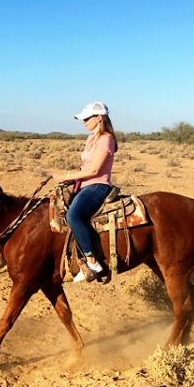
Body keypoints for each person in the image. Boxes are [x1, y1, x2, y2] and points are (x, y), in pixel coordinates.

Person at [57, 101, 118, 282]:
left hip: (97, 185)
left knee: (74, 216)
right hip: (83, 185)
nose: (83, 122)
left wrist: (66, 175)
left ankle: (92, 262)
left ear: (99, 118)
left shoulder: (106, 138)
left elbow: (94, 171)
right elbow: (85, 166)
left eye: (86, 118)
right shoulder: (91, 138)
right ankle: (76, 259)